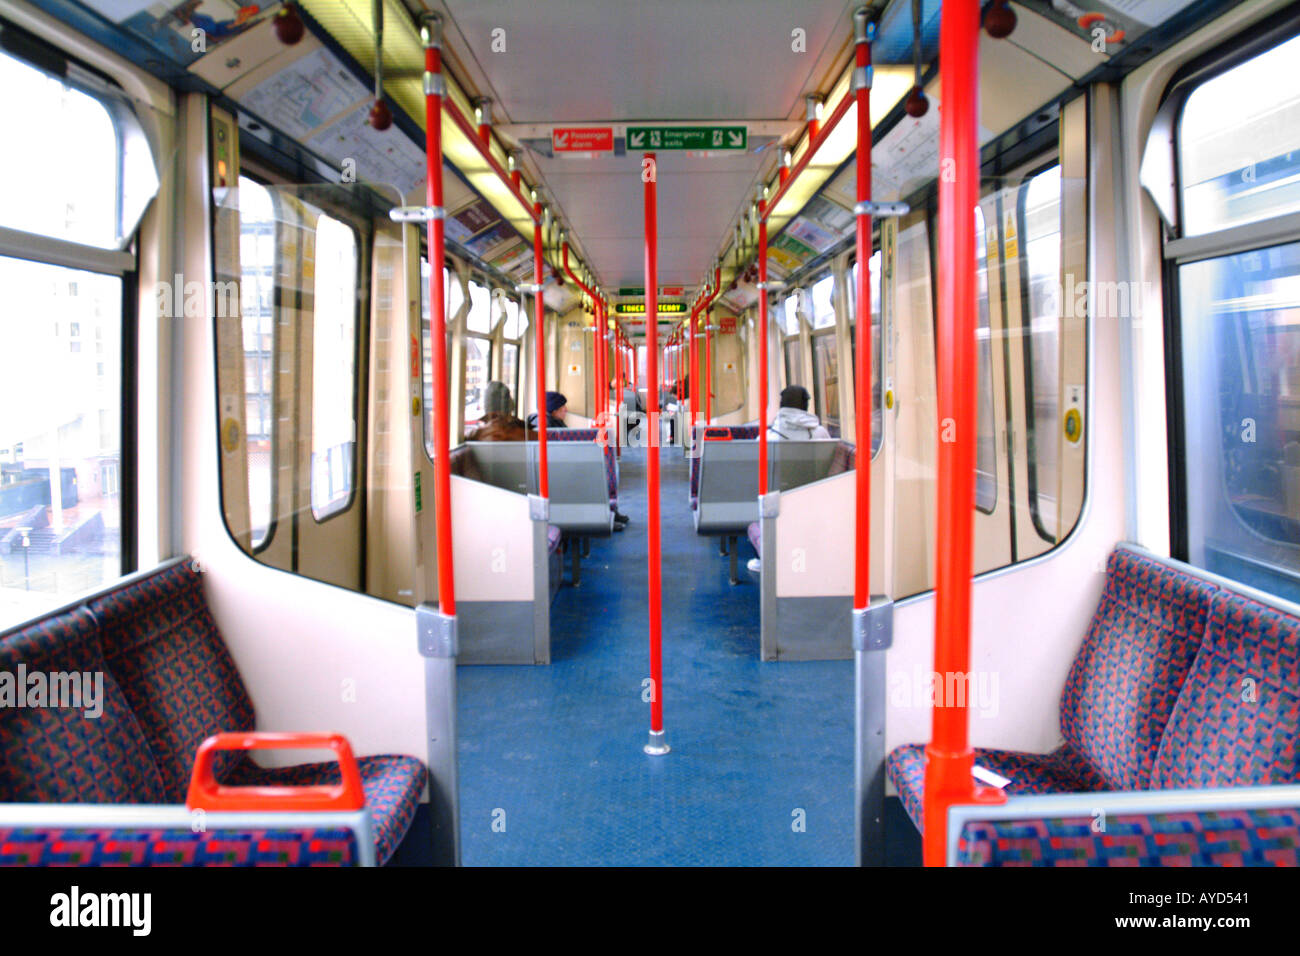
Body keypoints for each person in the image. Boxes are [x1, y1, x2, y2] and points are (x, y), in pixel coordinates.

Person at [749, 385, 830, 574]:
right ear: (805, 405)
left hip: (777, 499)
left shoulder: (768, 437)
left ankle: (768, 556)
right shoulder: (820, 434)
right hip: (814, 498)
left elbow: (753, 467)